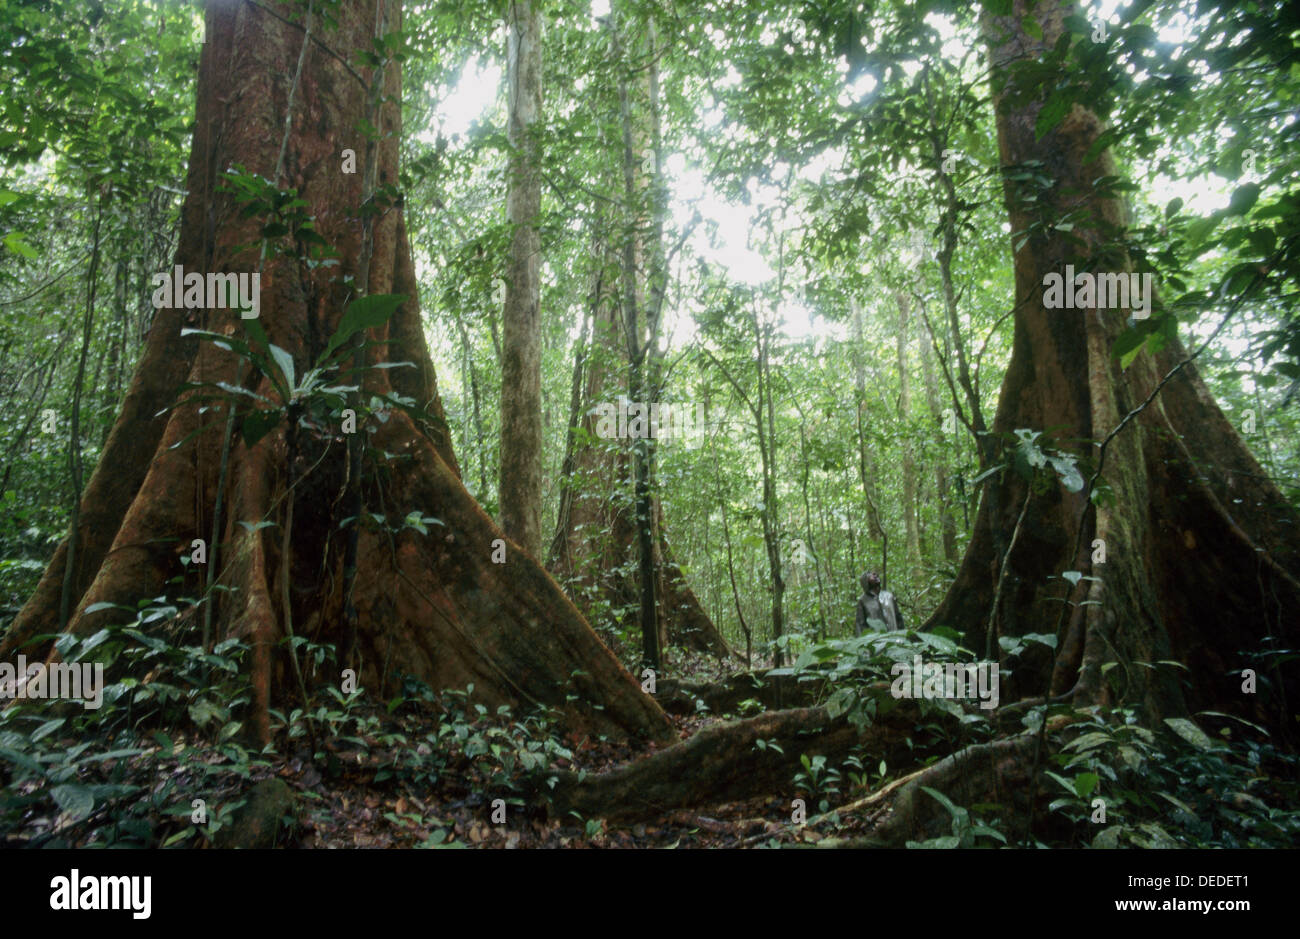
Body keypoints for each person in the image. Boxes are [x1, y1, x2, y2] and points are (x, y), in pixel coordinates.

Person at [854, 570, 905, 635]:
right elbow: (860, 625)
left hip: (894, 639)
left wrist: (902, 636)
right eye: (871, 575)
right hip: (876, 642)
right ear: (865, 582)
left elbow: (898, 618)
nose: (875, 575)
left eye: (875, 574)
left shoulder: (888, 596)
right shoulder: (863, 601)